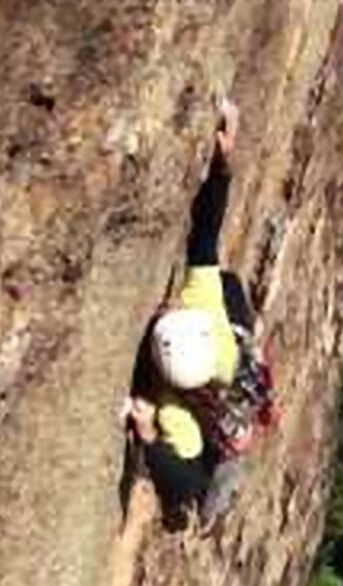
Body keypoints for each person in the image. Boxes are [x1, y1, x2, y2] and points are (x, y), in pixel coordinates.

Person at [125, 99, 260, 528]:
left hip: (212, 425)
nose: (170, 304)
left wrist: (148, 434)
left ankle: (204, 504)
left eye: (169, 310)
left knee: (193, 478)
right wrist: (223, 163)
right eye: (174, 310)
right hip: (231, 363)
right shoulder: (207, 314)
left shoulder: (176, 418)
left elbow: (184, 482)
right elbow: (205, 235)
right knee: (228, 286)